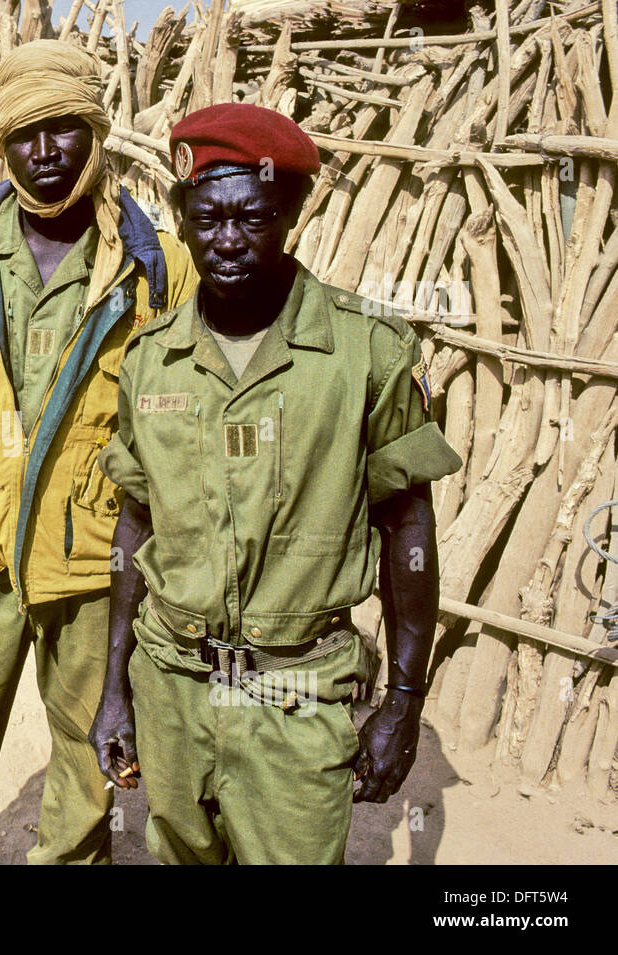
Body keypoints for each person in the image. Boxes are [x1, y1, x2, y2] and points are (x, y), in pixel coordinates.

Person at [89, 102, 463, 865]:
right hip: (174, 685)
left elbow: (409, 531)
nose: (226, 240)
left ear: (289, 212)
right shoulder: (151, 359)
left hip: (296, 695)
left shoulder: (366, 351)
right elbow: (135, 526)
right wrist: (116, 686)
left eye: (251, 217)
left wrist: (403, 700)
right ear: (183, 217)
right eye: (207, 217)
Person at [0, 39, 197, 865]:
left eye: (64, 128)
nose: (47, 151)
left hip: (94, 569)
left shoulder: (156, 265)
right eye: (27, 133)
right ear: (1, 144)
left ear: (96, 132)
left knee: (89, 769)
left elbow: (196, 398)